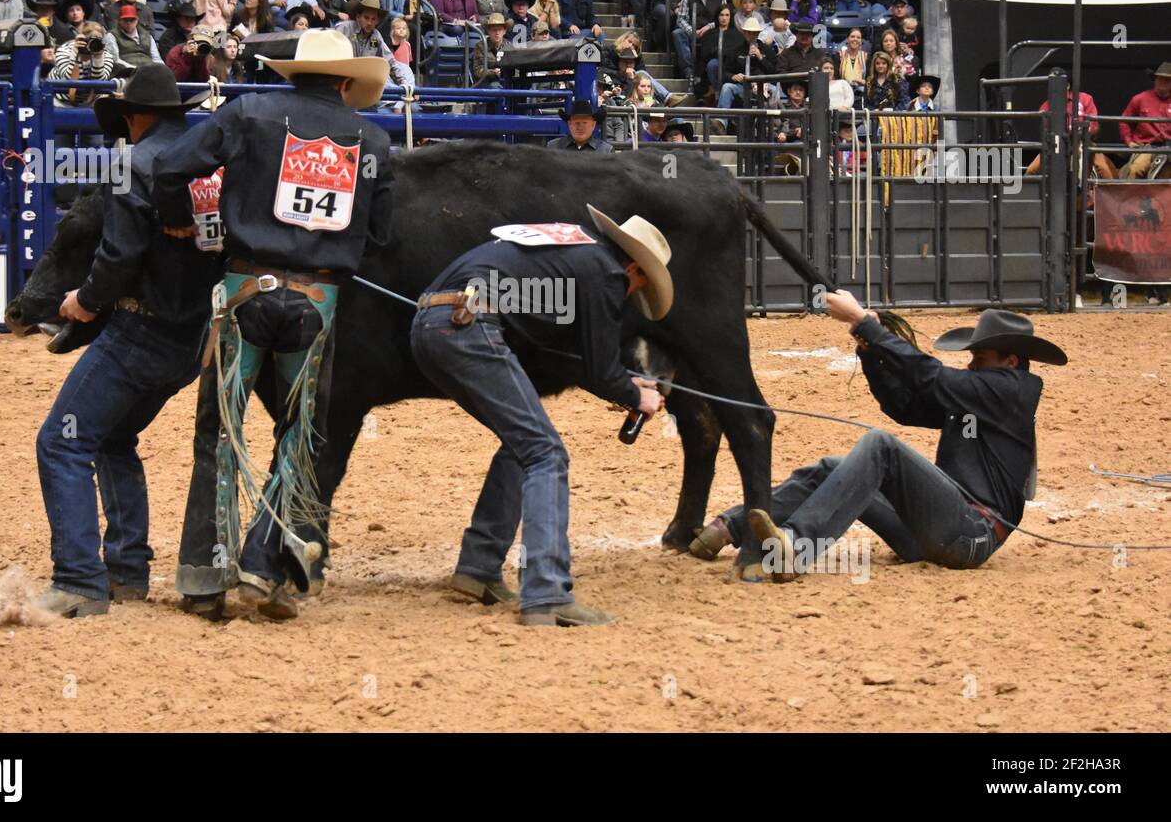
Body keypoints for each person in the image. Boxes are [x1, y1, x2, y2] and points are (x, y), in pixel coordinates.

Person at [152, 30, 394, 621]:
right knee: (302, 435)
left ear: (294, 74)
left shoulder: (247, 113)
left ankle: (205, 574)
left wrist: (179, 222)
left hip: (243, 292)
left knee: (220, 432)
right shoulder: (374, 140)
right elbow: (381, 236)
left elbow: (169, 166)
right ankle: (276, 572)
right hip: (318, 301)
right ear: (344, 82)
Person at [409, 205, 672, 625]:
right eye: (638, 284)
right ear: (635, 267)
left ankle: (478, 569)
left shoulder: (574, 253)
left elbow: (583, 365)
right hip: (470, 328)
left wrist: (624, 383)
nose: (630, 293)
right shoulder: (606, 272)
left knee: (523, 446)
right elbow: (599, 369)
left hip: (435, 324)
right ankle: (546, 590)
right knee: (546, 454)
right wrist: (636, 395)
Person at [691, 300, 1068, 582]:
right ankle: (730, 526)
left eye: (980, 358)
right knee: (831, 469)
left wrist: (867, 326)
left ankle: (796, 547)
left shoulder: (1010, 392)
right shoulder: (988, 394)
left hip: (971, 533)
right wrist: (871, 352)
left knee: (880, 446)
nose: (971, 364)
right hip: (944, 532)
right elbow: (906, 406)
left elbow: (931, 377)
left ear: (1011, 362)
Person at [32, 64, 216, 618]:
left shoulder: (131, 164)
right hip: (192, 339)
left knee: (61, 442)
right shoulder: (210, 166)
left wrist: (83, 301)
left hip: (141, 330)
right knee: (112, 437)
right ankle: (126, 570)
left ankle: (80, 581)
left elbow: (119, 256)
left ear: (134, 118)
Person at [337, 0, 416, 87]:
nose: (370, 22)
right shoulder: (345, 28)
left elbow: (389, 60)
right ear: (358, 17)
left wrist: (403, 82)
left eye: (373, 19)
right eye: (366, 18)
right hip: (344, 76)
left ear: (377, 21)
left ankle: (407, 92)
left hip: (366, 78)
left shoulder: (376, 36)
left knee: (405, 69)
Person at [1118, 62, 1171, 178]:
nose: (1163, 82)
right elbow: (1124, 121)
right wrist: (1129, 141)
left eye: (1167, 80)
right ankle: (1131, 195)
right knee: (1135, 170)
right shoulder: (1140, 99)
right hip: (1148, 146)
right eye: (1160, 79)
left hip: (1170, 145)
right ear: (1155, 80)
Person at [104, 2, 162, 68]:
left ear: (137, 20)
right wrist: (135, 69)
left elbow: (157, 59)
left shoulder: (147, 36)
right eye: (125, 20)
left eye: (132, 20)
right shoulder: (112, 36)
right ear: (119, 20)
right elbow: (115, 60)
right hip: (125, 73)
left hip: (149, 71)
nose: (129, 23)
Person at [546, 98, 614, 152]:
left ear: (593, 124)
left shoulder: (606, 151)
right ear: (569, 124)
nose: (580, 127)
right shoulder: (553, 147)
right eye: (576, 123)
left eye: (585, 123)